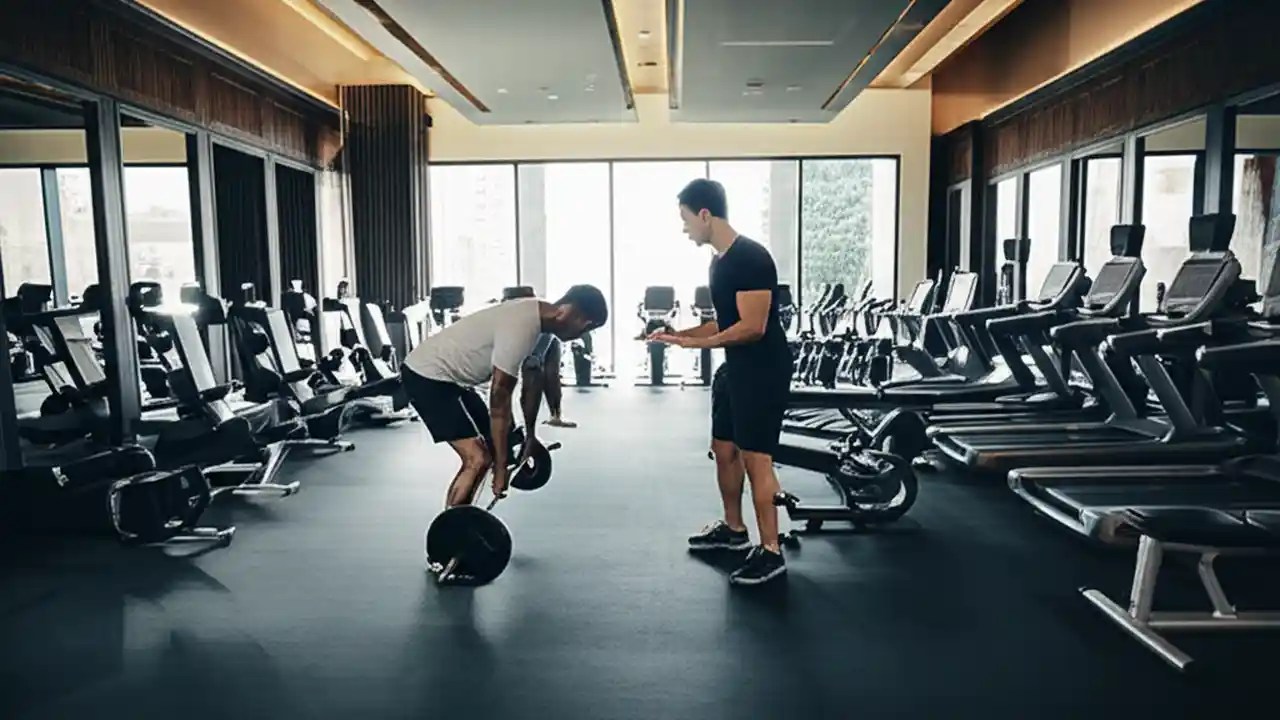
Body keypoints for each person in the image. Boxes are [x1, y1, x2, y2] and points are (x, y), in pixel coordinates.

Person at [650, 178, 793, 586]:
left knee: (756, 458)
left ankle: (770, 551)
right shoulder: (719, 261)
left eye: (685, 219)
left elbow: (753, 327)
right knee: (724, 449)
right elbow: (723, 323)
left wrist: (706, 344)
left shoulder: (750, 257)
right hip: (736, 368)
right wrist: (682, 336)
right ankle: (734, 531)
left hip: (763, 368)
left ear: (705, 214)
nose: (684, 228)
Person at [401, 285, 608, 505]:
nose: (582, 334)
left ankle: (464, 520)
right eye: (586, 326)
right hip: (427, 375)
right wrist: (500, 469)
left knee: (498, 445)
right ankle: (452, 531)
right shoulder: (521, 326)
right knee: (477, 458)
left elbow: (531, 384)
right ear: (566, 312)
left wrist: (528, 436)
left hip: (455, 380)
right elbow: (499, 402)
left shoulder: (542, 326)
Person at [522, 333, 577, 428]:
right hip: (538, 326)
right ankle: (529, 433)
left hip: (551, 329)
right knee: (533, 366)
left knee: (552, 372)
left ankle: (556, 416)